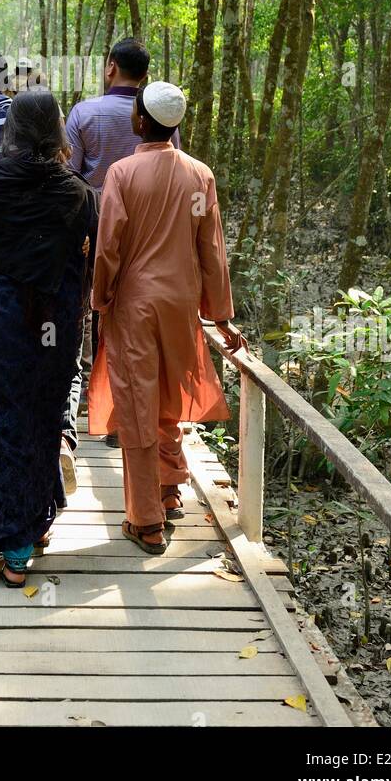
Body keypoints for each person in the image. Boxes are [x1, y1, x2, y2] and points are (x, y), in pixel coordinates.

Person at [88, 80, 243, 555]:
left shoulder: (122, 173)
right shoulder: (200, 176)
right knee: (169, 399)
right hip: (180, 304)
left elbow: (109, 245)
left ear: (140, 120)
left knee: (137, 406)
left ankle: (146, 521)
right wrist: (220, 316)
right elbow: (211, 251)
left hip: (134, 304)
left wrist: (100, 299)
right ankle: (170, 489)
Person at [0, 87, 98, 586]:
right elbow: (83, 261)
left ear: (13, 129)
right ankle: (32, 530)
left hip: (1, 318)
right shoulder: (78, 193)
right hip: (53, 327)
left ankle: (12, 552)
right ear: (57, 131)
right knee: (40, 424)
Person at [62, 38, 179, 467]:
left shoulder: (84, 113)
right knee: (124, 326)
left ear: (110, 66)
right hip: (144, 237)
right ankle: (115, 420)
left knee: (83, 317)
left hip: (89, 229)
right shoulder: (161, 119)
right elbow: (170, 172)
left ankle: (72, 417)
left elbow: (68, 178)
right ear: (144, 77)